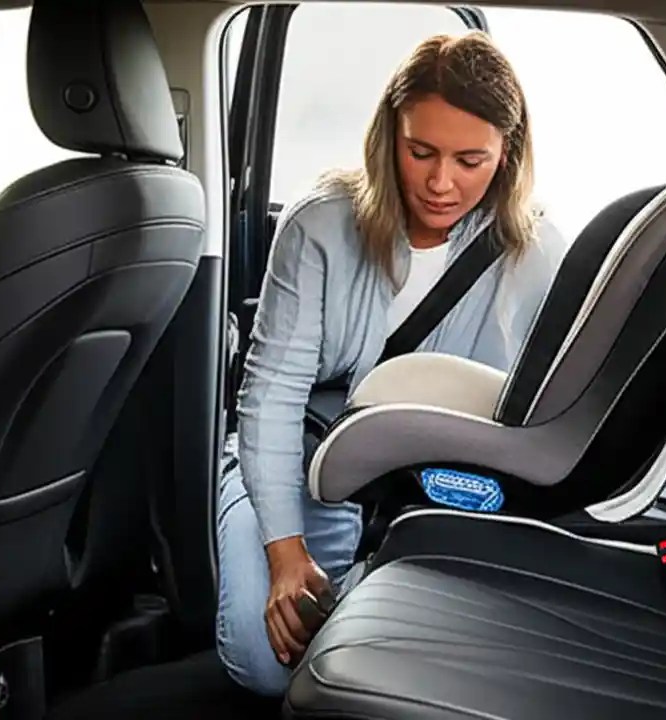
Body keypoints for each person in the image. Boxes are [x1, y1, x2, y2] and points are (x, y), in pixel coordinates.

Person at [215, 31, 567, 696]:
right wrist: (286, 552)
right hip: (305, 459)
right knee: (266, 665)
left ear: (507, 155)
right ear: (389, 136)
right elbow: (272, 396)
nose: (441, 182)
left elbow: (545, 410)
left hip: (437, 479)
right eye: (421, 151)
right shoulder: (319, 224)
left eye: (470, 160)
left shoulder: (536, 249)